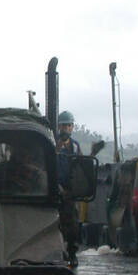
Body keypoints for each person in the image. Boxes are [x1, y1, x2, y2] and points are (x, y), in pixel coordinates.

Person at [55, 111, 81, 263]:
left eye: (68, 125)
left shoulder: (75, 147)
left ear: (72, 127)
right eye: (63, 125)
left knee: (73, 222)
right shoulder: (51, 144)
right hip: (53, 189)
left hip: (69, 191)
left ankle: (72, 252)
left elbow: (79, 168)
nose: (65, 128)